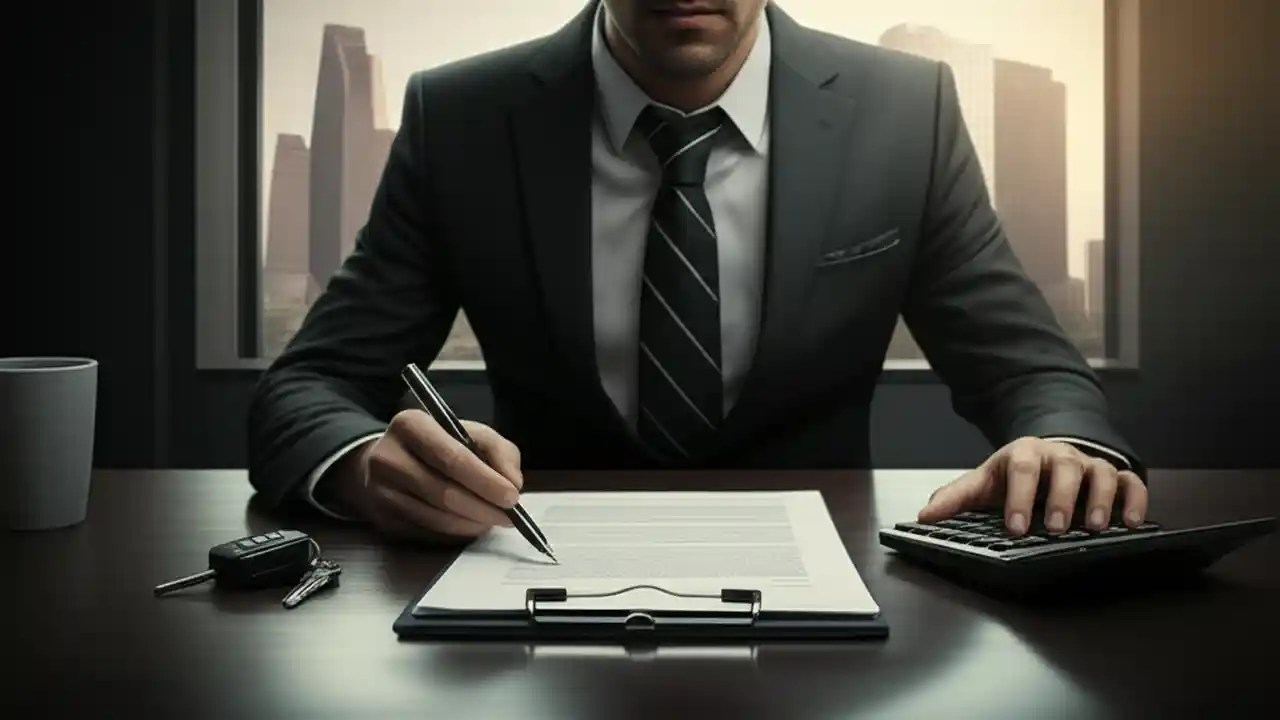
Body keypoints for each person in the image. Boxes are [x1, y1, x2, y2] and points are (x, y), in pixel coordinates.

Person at [247, 0, 1147, 544]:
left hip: (838, 608)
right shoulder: (462, 119)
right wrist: (366, 467)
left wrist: (1065, 448)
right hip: (531, 593)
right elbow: (312, 385)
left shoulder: (907, 113)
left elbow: (1029, 368)